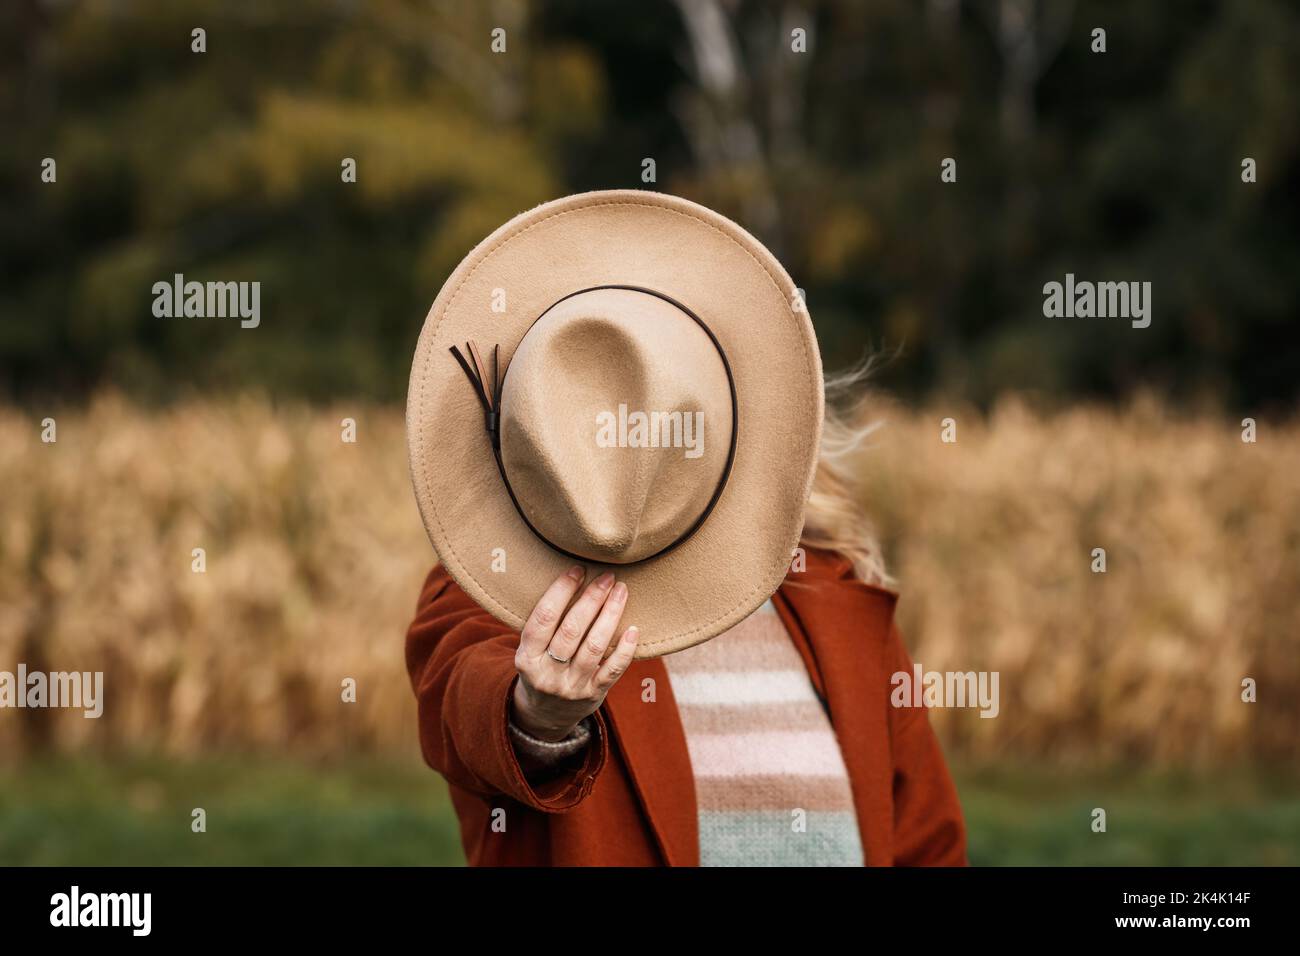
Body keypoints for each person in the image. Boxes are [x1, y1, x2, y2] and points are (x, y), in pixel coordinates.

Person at [404, 190, 966, 866]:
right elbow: (467, 706)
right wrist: (540, 717)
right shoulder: (494, 596)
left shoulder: (835, 599)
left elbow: (927, 847)